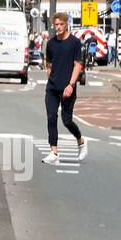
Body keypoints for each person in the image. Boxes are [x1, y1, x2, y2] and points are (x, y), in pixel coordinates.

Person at [42, 12, 87, 165]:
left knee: (67, 121)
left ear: (66, 24)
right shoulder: (51, 44)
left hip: (68, 88)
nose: (59, 27)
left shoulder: (74, 43)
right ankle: (54, 152)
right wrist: (50, 74)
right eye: (56, 25)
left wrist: (71, 85)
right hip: (52, 88)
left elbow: (77, 65)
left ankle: (80, 141)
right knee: (51, 117)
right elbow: (48, 63)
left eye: (61, 24)